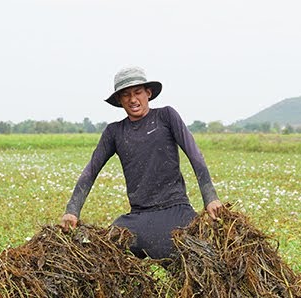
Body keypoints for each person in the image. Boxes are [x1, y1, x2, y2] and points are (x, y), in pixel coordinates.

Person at [60, 66, 224, 260]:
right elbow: (91, 171)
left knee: (197, 264)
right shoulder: (114, 132)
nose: (133, 99)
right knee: (104, 254)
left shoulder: (166, 116)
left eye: (137, 92)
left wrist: (210, 197)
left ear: (148, 93)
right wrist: (72, 211)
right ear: (120, 101)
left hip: (175, 211)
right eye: (126, 95)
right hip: (138, 218)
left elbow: (195, 155)